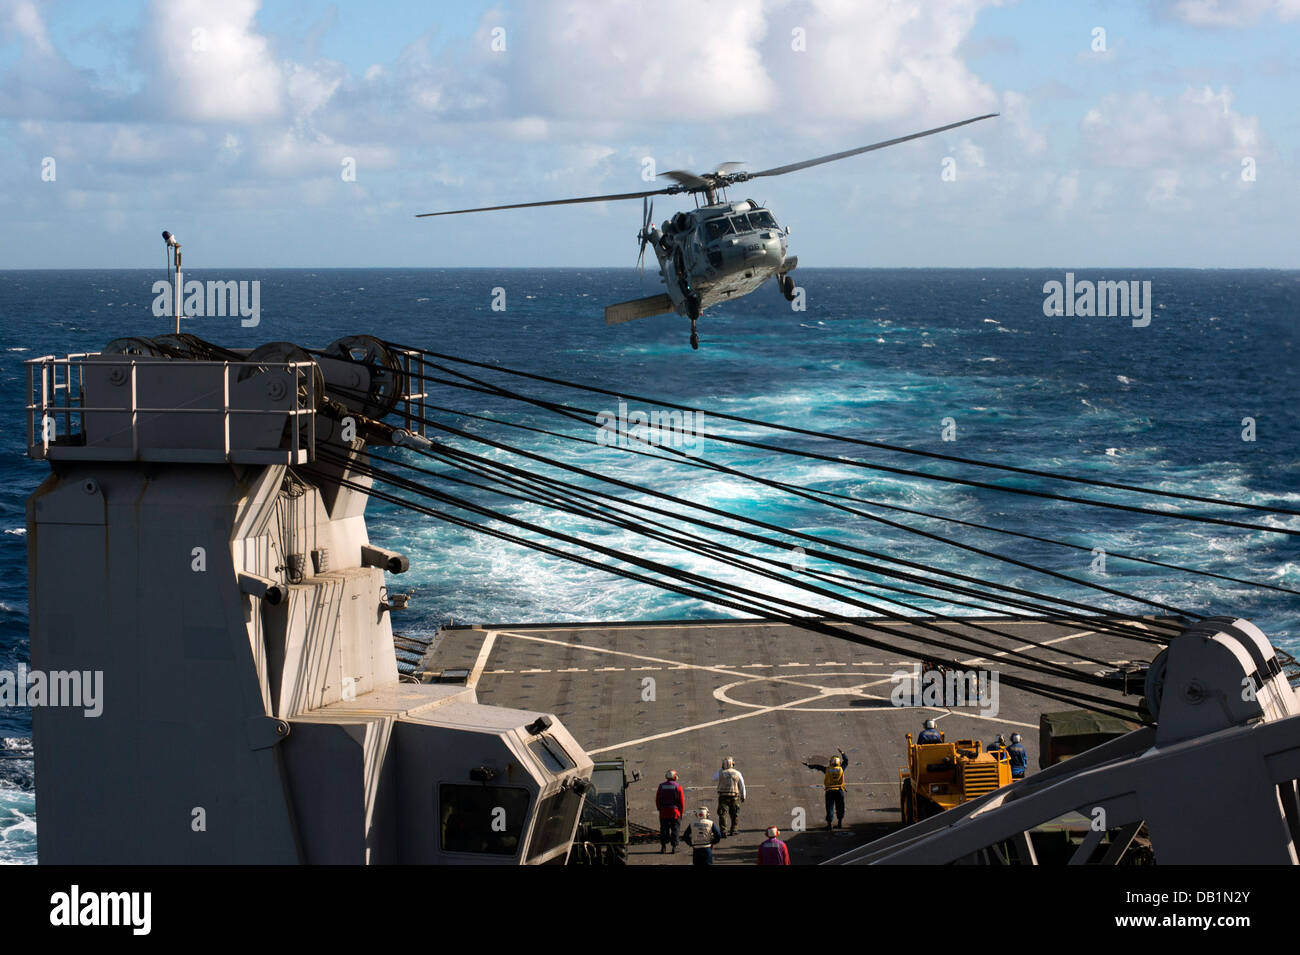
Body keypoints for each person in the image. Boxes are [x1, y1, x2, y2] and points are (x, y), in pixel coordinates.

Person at [804, 747, 848, 830]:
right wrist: (842, 752)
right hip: (839, 791)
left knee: (829, 808)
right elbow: (846, 761)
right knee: (840, 807)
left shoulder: (827, 769)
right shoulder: (841, 769)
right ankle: (840, 823)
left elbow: (818, 767)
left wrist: (809, 766)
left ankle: (829, 825)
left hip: (830, 791)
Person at [714, 756, 747, 837]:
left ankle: (723, 831)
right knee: (734, 814)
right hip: (734, 797)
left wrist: (722, 770)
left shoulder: (720, 772)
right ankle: (734, 830)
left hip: (723, 796)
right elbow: (742, 785)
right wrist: (743, 795)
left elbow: (714, 778)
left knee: (722, 814)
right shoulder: (737, 773)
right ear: (732, 764)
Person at [655, 769, 685, 853]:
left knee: (664, 830)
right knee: (675, 829)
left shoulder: (661, 786)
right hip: (675, 813)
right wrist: (681, 813)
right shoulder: (678, 787)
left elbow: (657, 799)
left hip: (663, 812)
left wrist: (659, 809)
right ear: (675, 777)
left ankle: (663, 847)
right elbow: (681, 802)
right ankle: (674, 847)